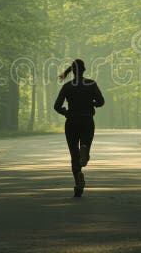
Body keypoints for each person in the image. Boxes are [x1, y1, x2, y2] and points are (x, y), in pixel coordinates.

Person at [54, 59, 104, 197]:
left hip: (71, 122)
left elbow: (56, 106)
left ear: (73, 70)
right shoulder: (91, 84)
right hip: (87, 120)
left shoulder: (67, 86)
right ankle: (85, 149)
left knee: (73, 155)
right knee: (85, 143)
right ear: (84, 70)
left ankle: (78, 180)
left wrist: (65, 112)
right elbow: (101, 101)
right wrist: (92, 104)